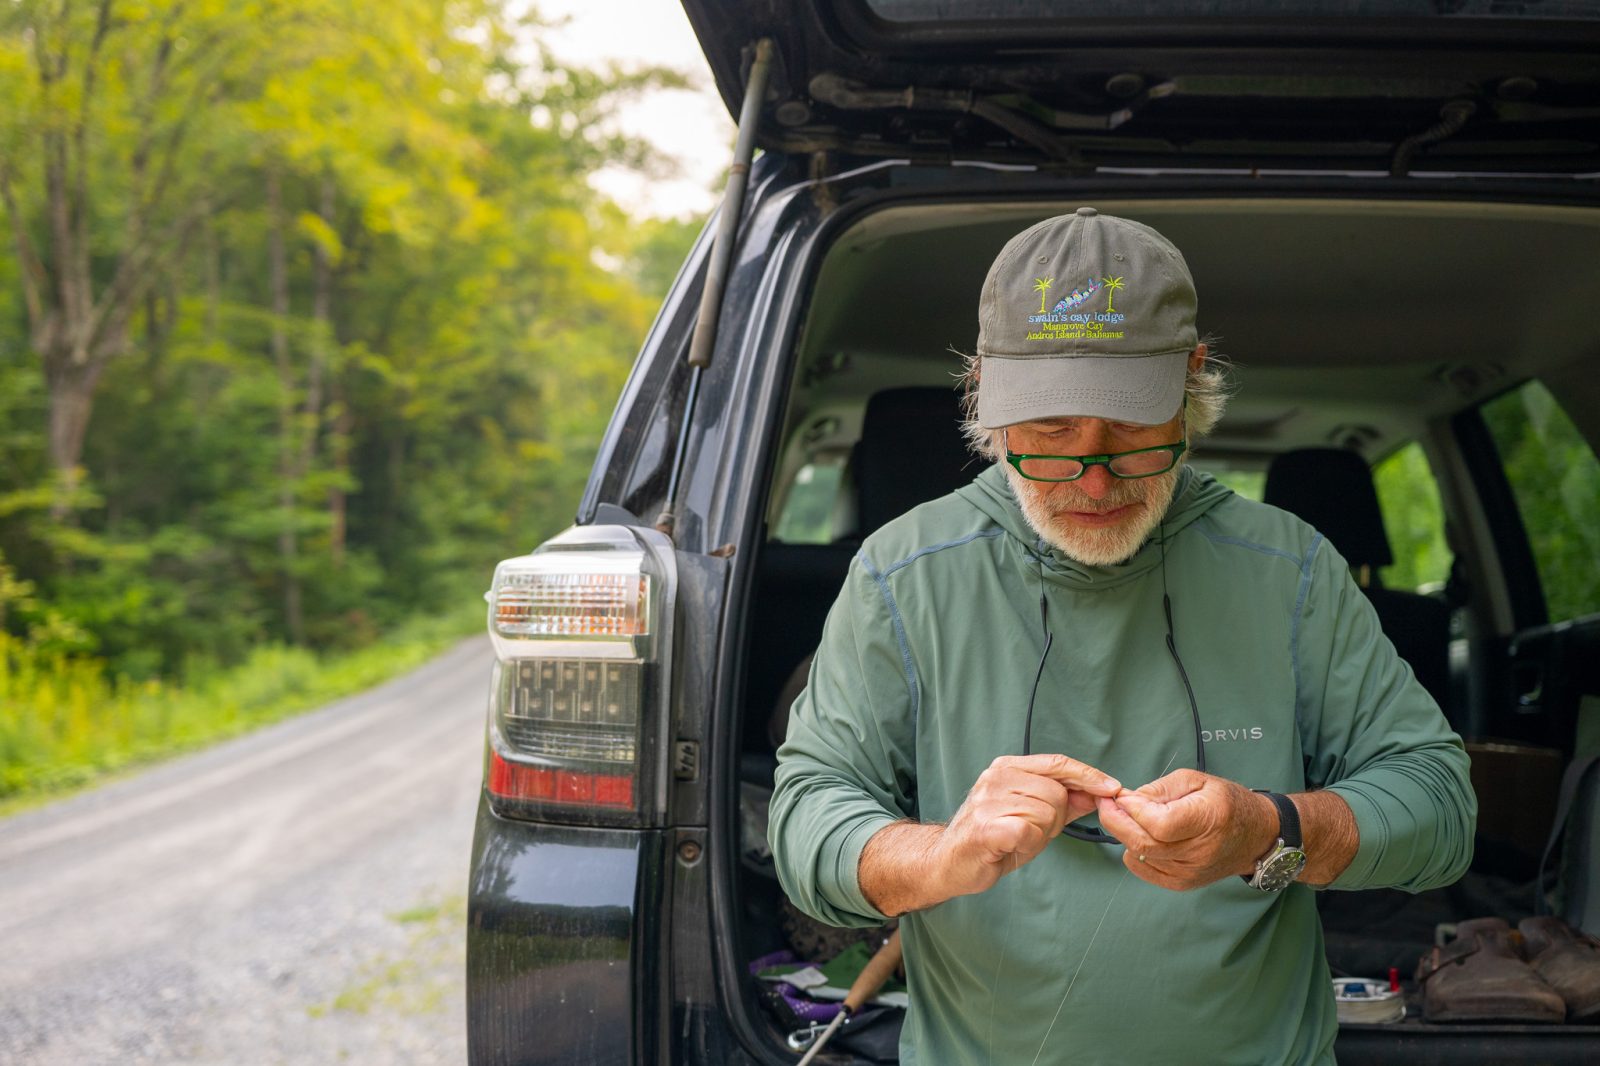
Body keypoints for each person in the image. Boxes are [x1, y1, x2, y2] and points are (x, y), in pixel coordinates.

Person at [767, 208, 1476, 1065]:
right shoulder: (904, 572)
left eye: (1132, 427)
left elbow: (1440, 805)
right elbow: (806, 819)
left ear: (1192, 380)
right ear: (984, 394)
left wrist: (1269, 829)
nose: (1094, 478)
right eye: (1054, 431)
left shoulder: (1288, 569)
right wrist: (940, 854)